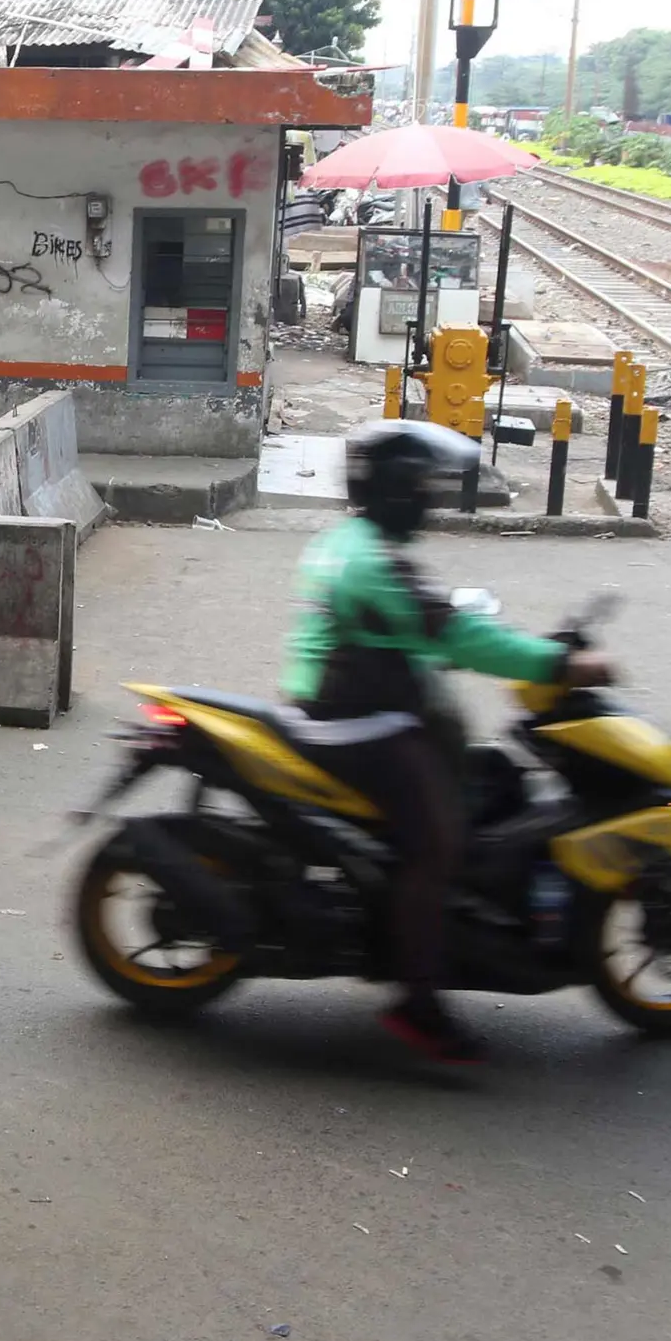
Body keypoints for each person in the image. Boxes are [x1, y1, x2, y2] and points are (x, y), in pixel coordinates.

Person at [281, 420, 613, 1064]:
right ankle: (417, 1002)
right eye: (421, 487)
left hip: (345, 697)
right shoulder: (374, 564)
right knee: (438, 841)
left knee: (485, 779)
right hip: (355, 721)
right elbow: (458, 637)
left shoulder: (350, 541)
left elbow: (419, 626)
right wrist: (559, 665)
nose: (430, 500)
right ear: (399, 493)